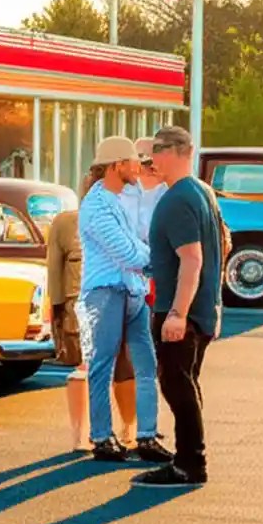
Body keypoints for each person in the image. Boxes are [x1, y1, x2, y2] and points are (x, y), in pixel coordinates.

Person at [136, 126, 225, 488]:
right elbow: (225, 245)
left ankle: (190, 464)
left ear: (174, 151)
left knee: (176, 385)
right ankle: (188, 457)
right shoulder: (203, 192)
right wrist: (212, 303)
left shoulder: (176, 199)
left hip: (181, 312)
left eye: (155, 151)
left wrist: (177, 313)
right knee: (185, 384)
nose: (151, 160)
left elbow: (192, 258)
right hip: (200, 309)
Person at [76, 137, 170, 463]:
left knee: (147, 366)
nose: (140, 167)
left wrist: (148, 259)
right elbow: (128, 251)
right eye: (135, 162)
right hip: (106, 293)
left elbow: (135, 243)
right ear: (118, 165)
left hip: (133, 290)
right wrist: (160, 262)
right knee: (103, 365)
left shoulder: (117, 200)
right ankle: (101, 437)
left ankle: (146, 436)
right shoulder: (96, 205)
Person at [47, 174, 137, 453]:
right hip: (83, 307)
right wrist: (57, 314)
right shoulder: (65, 223)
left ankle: (127, 430)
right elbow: (54, 272)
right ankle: (83, 434)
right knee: (87, 369)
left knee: (122, 369)